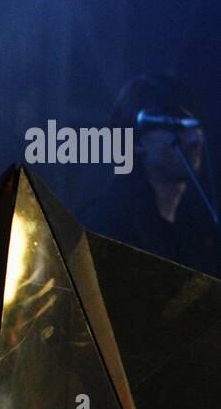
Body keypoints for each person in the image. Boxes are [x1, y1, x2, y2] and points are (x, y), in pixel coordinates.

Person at [79, 74, 221, 276]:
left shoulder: (197, 227)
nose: (194, 139)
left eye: (194, 124)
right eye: (176, 125)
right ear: (136, 141)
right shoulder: (109, 223)